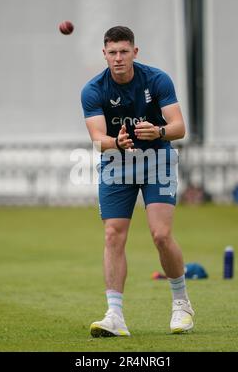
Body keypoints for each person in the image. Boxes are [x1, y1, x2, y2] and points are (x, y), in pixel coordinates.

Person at [81, 26, 194, 337]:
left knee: (160, 235)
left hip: (157, 160)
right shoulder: (93, 89)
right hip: (117, 163)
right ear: (104, 54)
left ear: (135, 52)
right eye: (112, 52)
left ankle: (181, 303)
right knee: (113, 235)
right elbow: (97, 138)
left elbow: (179, 127)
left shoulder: (157, 80)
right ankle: (114, 315)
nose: (118, 58)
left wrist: (157, 131)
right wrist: (116, 142)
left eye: (124, 51)